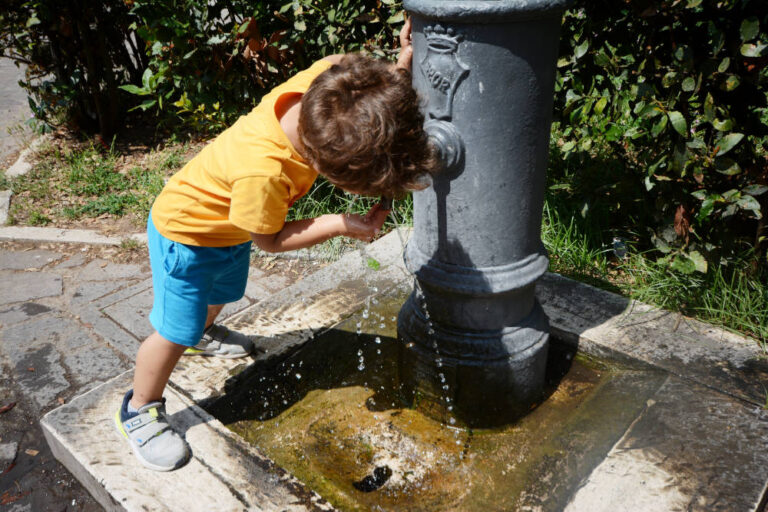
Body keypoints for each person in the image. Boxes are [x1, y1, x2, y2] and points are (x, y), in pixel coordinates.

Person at [115, 18, 435, 471]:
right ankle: (139, 409)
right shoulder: (263, 173)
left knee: (223, 293)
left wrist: (400, 67)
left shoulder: (328, 85)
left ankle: (204, 333)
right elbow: (271, 239)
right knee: (174, 331)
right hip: (186, 236)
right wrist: (340, 223)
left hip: (228, 230)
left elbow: (366, 94)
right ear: (325, 166)